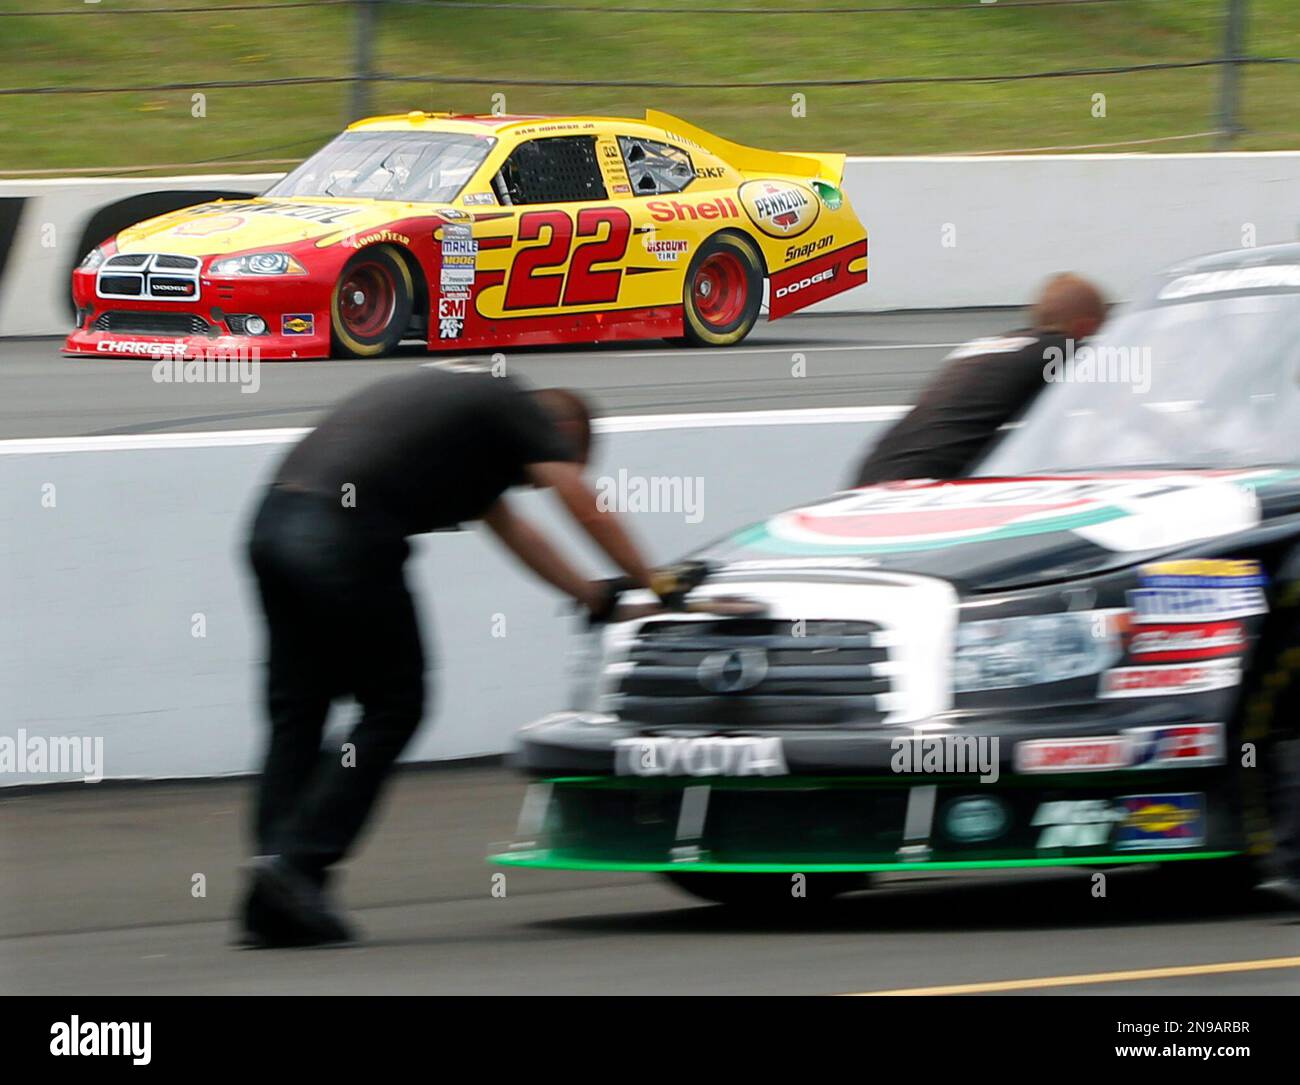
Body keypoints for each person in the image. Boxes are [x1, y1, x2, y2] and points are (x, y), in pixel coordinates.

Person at [238, 366, 657, 948]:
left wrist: (595, 597)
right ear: (559, 432)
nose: (536, 483)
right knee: (395, 704)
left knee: (298, 712)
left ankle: (270, 885)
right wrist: (656, 583)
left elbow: (514, 531)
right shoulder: (517, 406)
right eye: (563, 459)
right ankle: (299, 866)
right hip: (341, 536)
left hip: (271, 526)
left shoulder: (467, 423)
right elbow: (580, 505)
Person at [851, 273, 1107, 487]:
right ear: (1085, 327)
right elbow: (1119, 397)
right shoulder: (1058, 350)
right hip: (923, 483)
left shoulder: (986, 346)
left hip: (872, 474)